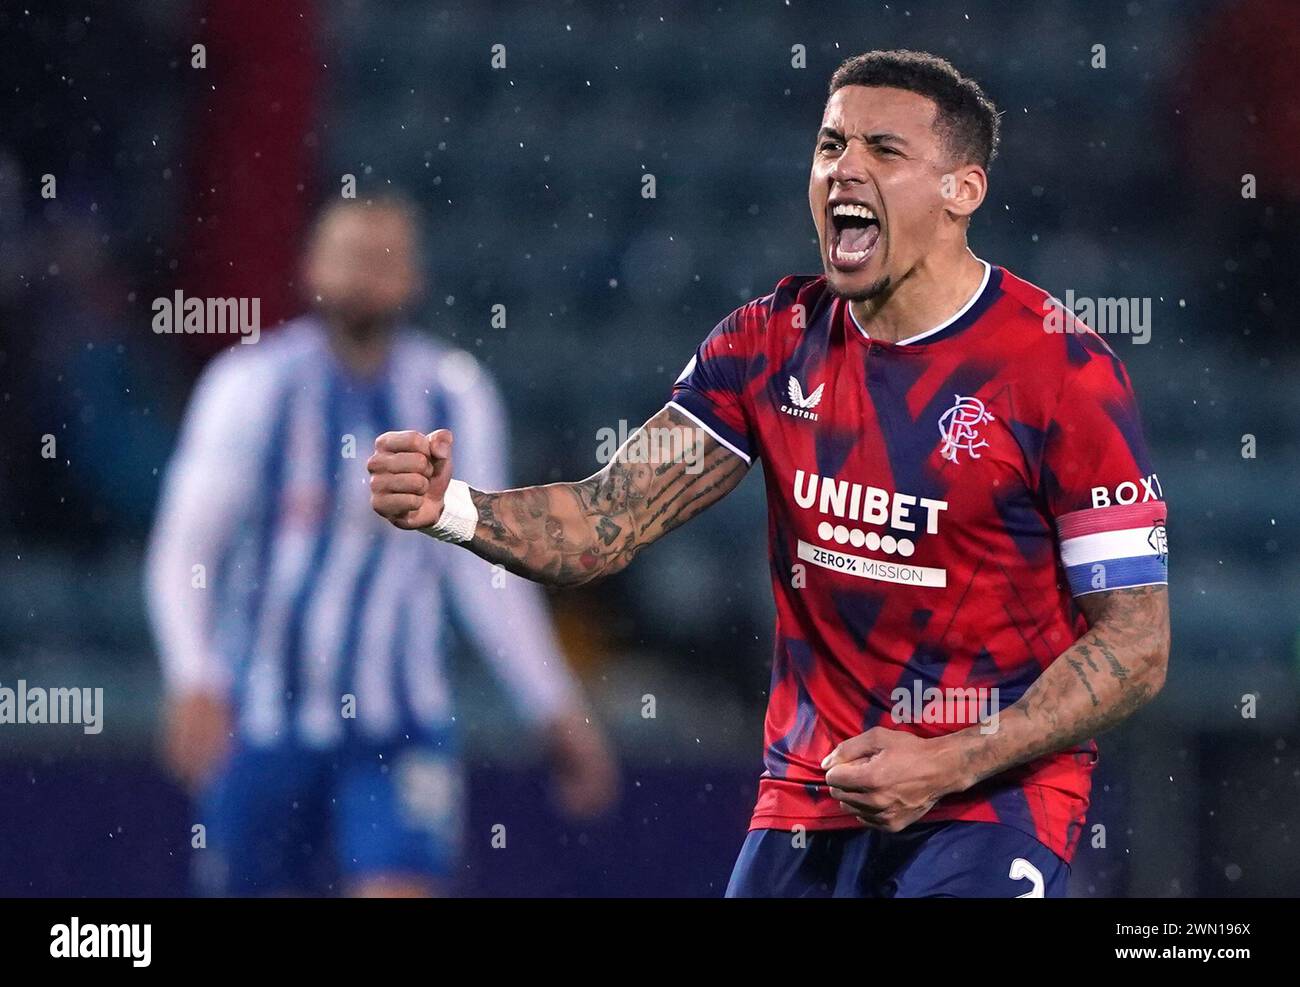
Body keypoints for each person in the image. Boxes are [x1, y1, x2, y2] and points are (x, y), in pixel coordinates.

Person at [367, 50, 1170, 898]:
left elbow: (1137, 645)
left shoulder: (1061, 372)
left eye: (884, 151)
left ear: (961, 191)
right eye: (830, 146)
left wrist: (949, 760)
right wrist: (447, 506)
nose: (844, 169)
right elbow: (604, 521)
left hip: (993, 792)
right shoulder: (769, 341)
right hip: (811, 790)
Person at [147, 197, 616, 897]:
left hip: (399, 724)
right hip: (263, 716)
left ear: (414, 279)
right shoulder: (251, 387)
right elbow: (185, 548)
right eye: (350, 254)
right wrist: (193, 675)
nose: (366, 272)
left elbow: (484, 572)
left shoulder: (454, 396)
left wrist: (552, 703)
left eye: (384, 257)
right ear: (311, 268)